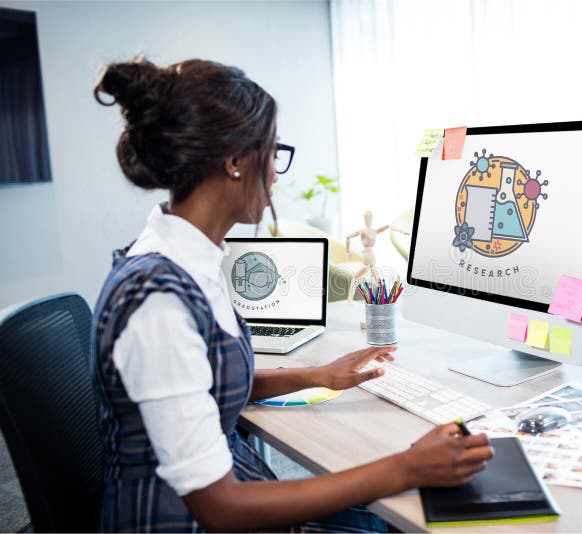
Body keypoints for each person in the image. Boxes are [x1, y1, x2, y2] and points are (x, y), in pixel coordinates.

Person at [90, 56, 493, 533]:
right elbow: (221, 508)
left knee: (393, 515)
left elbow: (203, 383)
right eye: (272, 151)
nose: (277, 176)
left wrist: (319, 375)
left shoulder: (185, 255)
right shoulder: (157, 300)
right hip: (188, 520)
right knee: (404, 513)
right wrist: (405, 466)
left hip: (228, 487)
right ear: (236, 161)